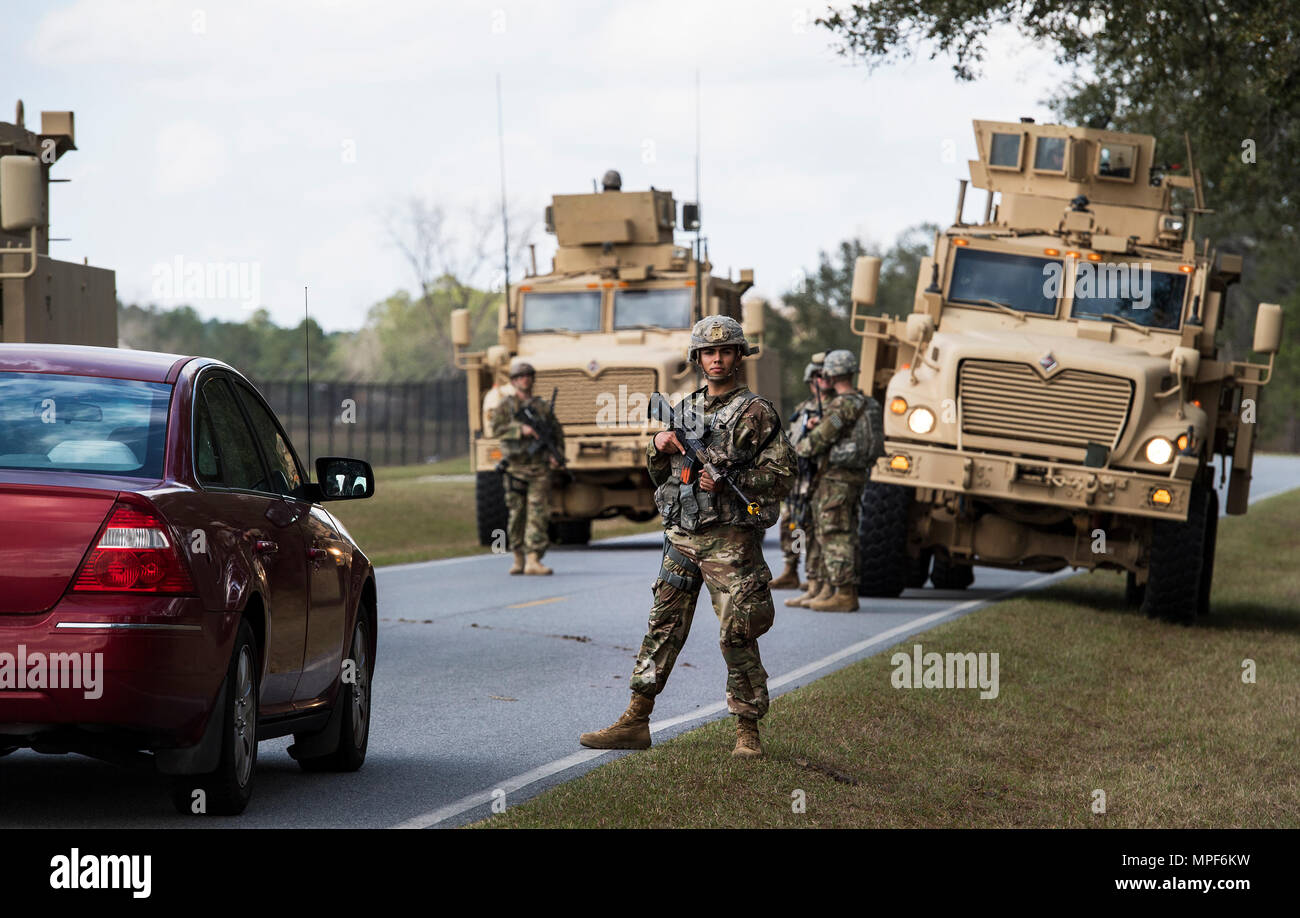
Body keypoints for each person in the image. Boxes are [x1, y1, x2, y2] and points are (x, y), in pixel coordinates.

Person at [579, 316, 794, 758]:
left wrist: (736, 479)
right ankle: (636, 720)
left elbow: (784, 475)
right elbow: (663, 474)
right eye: (709, 353)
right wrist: (657, 445)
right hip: (682, 537)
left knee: (737, 633)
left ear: (738, 357)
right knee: (662, 627)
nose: (717, 360)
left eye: (726, 352)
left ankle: (747, 731)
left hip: (729, 541)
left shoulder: (757, 412)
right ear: (697, 358)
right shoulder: (686, 409)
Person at [792, 348, 881, 612]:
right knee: (846, 529)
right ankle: (836, 588)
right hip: (854, 475)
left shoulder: (842, 405)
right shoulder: (865, 401)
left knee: (834, 532)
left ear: (830, 374)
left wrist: (795, 450)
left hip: (837, 478)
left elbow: (821, 439)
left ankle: (843, 593)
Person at [488, 359, 564, 575]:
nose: (525, 380)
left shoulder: (541, 407)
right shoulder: (506, 406)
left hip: (539, 468)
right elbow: (495, 429)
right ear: (513, 381)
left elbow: (556, 434)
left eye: (528, 376)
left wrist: (557, 456)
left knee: (538, 513)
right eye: (520, 377)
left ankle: (534, 559)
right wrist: (520, 430)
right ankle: (518, 557)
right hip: (514, 468)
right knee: (517, 513)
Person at [770, 360, 824, 590]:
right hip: (798, 477)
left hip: (818, 476)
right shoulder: (804, 408)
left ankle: (814, 576)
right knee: (792, 524)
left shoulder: (832, 409)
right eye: (815, 379)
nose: (818, 384)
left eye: (822, 378)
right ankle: (791, 569)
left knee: (812, 526)